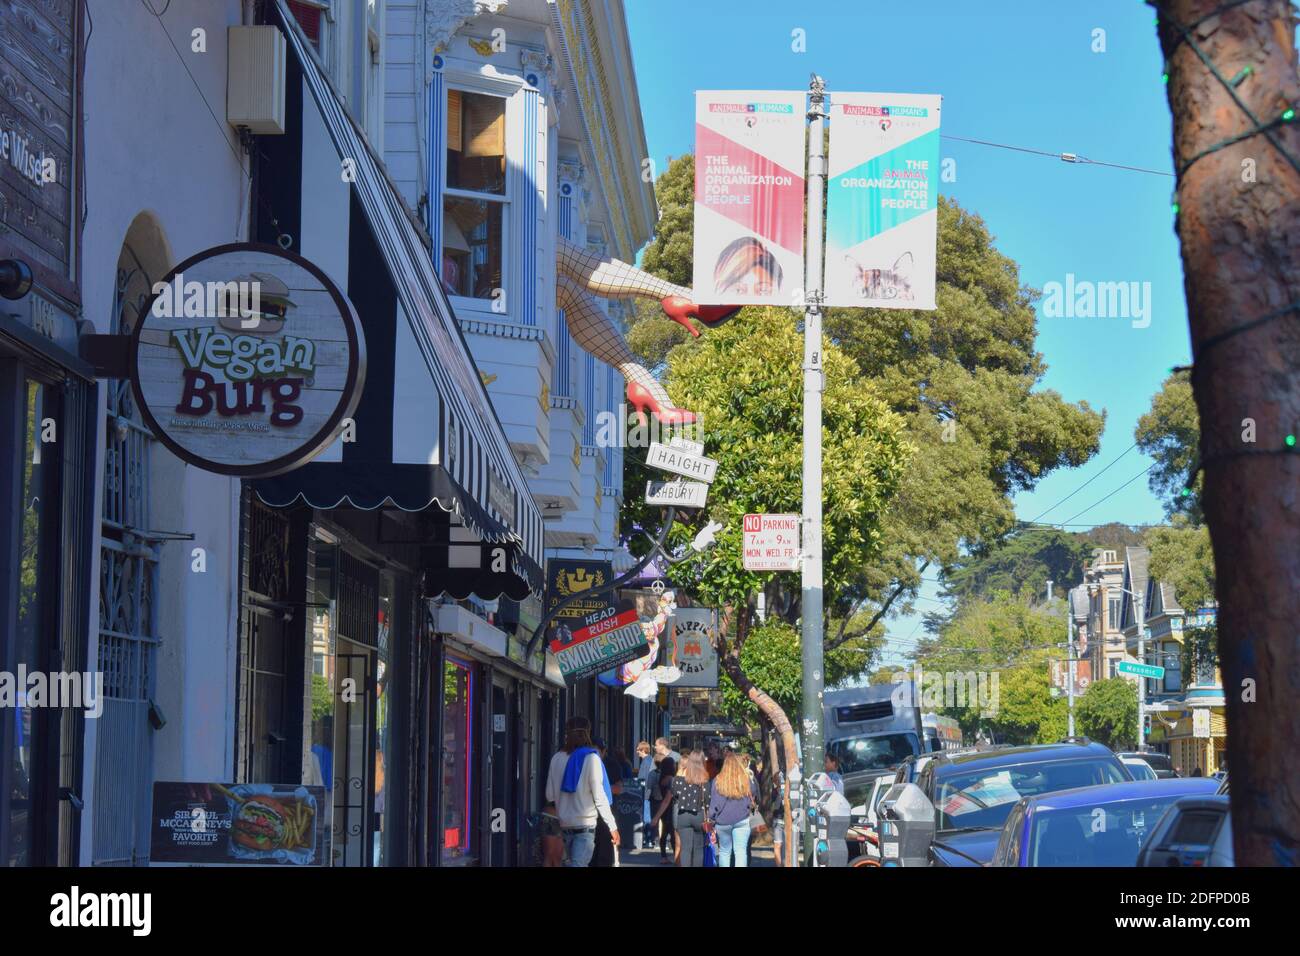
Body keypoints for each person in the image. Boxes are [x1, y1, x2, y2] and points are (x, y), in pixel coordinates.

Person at [545, 717, 619, 867]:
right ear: (588, 733)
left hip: (563, 825)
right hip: (585, 826)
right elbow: (600, 797)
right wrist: (612, 826)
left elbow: (549, 795)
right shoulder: (592, 758)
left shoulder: (556, 758)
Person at [652, 750, 711, 867]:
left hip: (682, 815)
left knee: (685, 848)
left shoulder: (677, 781)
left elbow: (671, 797)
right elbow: (707, 803)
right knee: (698, 849)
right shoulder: (704, 782)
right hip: (698, 815)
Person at [709, 753, 760, 867]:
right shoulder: (746, 779)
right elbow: (753, 797)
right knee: (741, 852)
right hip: (743, 819)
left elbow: (716, 803)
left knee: (724, 852)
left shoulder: (718, 780)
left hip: (723, 821)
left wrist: (711, 818)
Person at [590, 738, 621, 867]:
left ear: (604, 752)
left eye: (597, 752)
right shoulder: (586, 762)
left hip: (607, 810)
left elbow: (619, 788)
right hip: (589, 813)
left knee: (605, 850)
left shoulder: (612, 765)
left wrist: (601, 791)